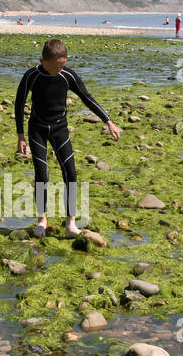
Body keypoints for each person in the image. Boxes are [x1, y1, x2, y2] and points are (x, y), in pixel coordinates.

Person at [15, 39, 121, 239]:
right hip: (36, 128)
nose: (59, 70)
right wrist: (20, 136)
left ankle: (70, 222)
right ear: (42, 61)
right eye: (55, 66)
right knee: (42, 175)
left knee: (70, 173)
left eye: (62, 65)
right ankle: (42, 220)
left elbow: (87, 98)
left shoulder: (68, 75)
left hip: (59, 129)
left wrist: (108, 120)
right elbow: (19, 103)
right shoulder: (31, 76)